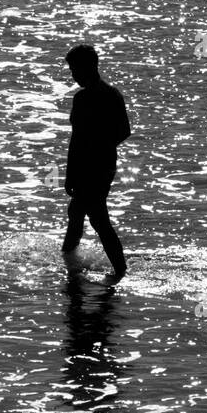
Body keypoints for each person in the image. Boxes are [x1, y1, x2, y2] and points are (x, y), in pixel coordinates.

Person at [60, 45, 131, 282]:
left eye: (75, 70)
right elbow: (124, 132)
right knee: (77, 212)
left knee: (98, 219)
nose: (74, 75)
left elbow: (77, 140)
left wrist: (72, 173)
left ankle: (120, 270)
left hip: (89, 169)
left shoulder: (83, 98)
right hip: (105, 166)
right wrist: (104, 146)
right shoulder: (113, 94)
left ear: (89, 67)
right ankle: (69, 260)